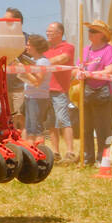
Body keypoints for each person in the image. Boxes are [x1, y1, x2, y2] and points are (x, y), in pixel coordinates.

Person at [79, 20, 112, 166]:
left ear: (102, 35)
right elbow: (78, 67)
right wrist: (79, 73)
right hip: (87, 90)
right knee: (86, 127)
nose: (90, 33)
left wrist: (90, 74)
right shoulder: (85, 50)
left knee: (103, 128)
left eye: (94, 31)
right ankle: (88, 157)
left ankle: (103, 158)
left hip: (102, 91)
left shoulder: (108, 49)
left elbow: (110, 70)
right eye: (89, 30)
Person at [43, 21, 76, 163]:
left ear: (59, 33)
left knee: (63, 120)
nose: (47, 34)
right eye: (47, 31)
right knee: (50, 123)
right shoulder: (45, 49)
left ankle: (70, 152)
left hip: (60, 90)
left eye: (50, 31)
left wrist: (43, 62)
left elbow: (62, 59)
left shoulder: (68, 47)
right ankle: (55, 152)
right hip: (46, 90)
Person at [21, 34, 53, 145]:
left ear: (36, 47)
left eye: (29, 45)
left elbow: (37, 81)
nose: (27, 47)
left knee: (36, 129)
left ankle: (39, 153)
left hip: (37, 98)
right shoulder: (35, 61)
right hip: (31, 97)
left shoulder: (42, 62)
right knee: (30, 128)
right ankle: (32, 152)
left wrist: (24, 71)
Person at [4, 8, 26, 131]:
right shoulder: (1, 38)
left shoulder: (26, 39)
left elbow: (32, 61)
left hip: (19, 86)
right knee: (8, 117)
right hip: (3, 86)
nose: (3, 22)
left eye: (7, 19)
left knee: (19, 117)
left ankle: (24, 143)